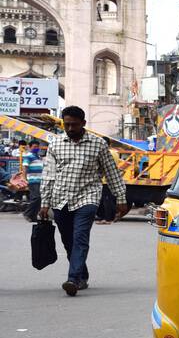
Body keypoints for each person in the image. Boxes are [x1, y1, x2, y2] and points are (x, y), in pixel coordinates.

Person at [38, 106, 128, 296]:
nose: (70, 129)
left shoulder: (98, 144)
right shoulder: (55, 144)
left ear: (83, 124)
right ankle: (82, 275)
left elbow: (112, 174)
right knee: (68, 240)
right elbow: (48, 175)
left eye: (74, 125)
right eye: (67, 124)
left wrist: (121, 198)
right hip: (60, 199)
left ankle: (72, 279)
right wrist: (44, 203)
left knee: (80, 237)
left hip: (87, 198)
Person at [21, 142, 44, 222]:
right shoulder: (28, 156)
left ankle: (33, 216)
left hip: (40, 180)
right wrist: (24, 178)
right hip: (33, 180)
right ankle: (27, 213)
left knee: (39, 199)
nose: (36, 148)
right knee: (37, 198)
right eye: (34, 146)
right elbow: (24, 167)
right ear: (30, 147)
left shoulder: (38, 156)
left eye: (38, 146)